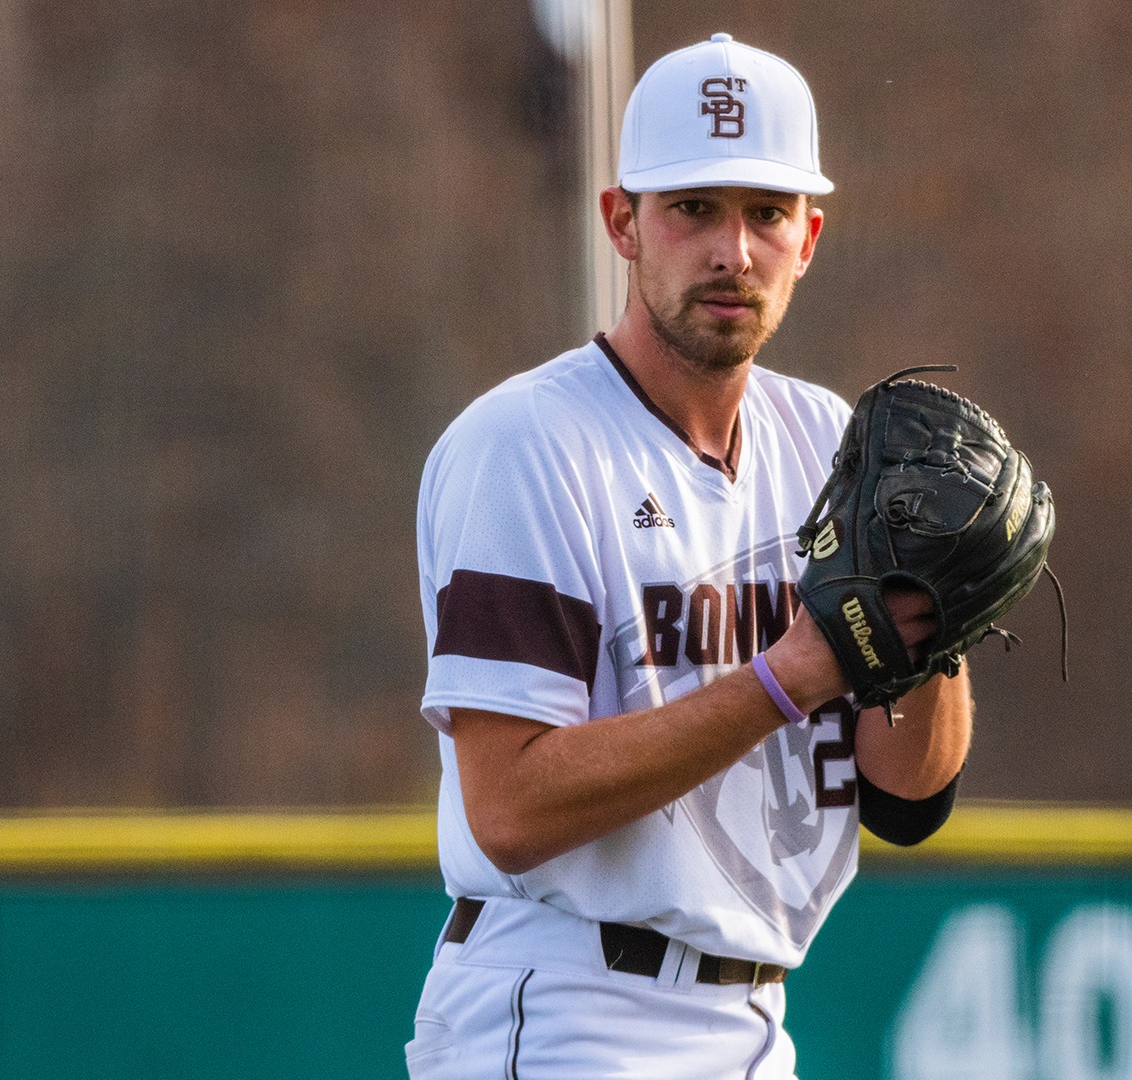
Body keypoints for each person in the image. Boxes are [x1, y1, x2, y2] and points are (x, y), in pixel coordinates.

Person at [405, 33, 972, 1080]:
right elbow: (512, 811)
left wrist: (936, 634)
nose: (732, 251)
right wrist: (786, 677)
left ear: (809, 236)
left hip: (752, 1021)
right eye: (694, 209)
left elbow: (907, 799)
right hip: (567, 1009)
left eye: (764, 213)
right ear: (623, 220)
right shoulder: (527, 445)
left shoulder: (831, 443)